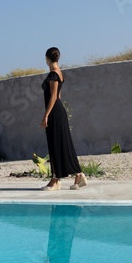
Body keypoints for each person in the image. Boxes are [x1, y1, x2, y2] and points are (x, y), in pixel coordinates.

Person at [40, 47, 87, 190]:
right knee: (61, 144)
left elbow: (54, 96)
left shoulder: (54, 74)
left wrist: (46, 115)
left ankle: (56, 180)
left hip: (55, 112)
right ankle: (75, 176)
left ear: (47, 59)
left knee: (57, 145)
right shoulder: (59, 73)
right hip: (58, 111)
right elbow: (59, 96)